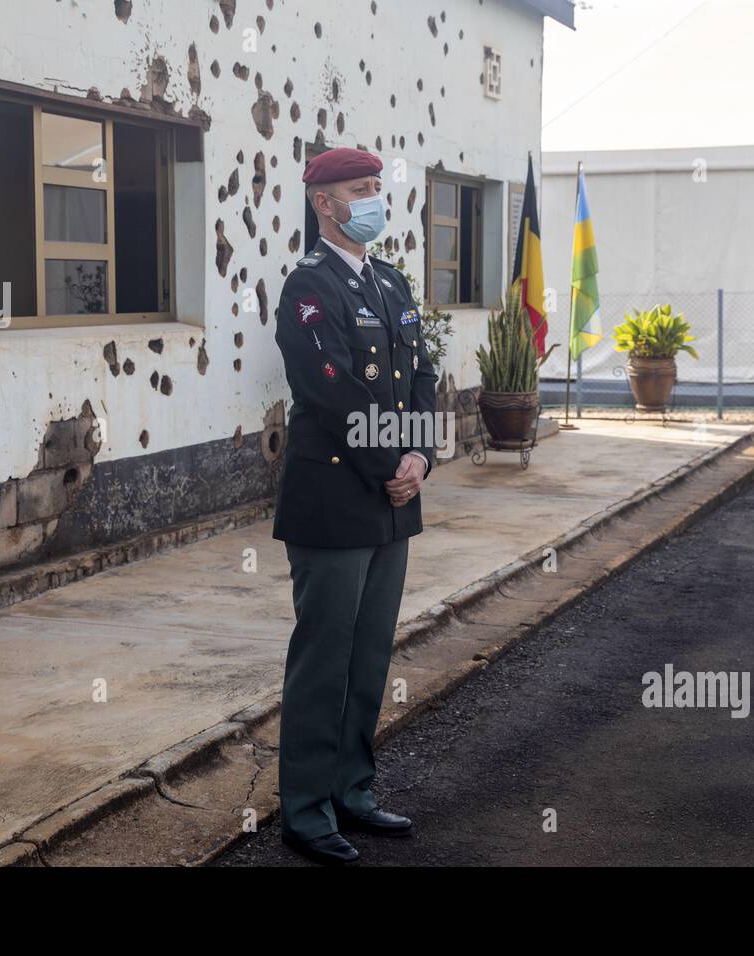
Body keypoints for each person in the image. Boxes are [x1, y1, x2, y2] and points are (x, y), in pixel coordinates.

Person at [270, 146, 439, 865]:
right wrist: (391, 464)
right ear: (325, 203)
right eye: (360, 189)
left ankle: (352, 791)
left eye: (375, 186)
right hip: (336, 500)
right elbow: (331, 389)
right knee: (325, 659)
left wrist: (420, 455)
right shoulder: (309, 288)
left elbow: (423, 376)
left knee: (369, 656)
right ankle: (306, 811)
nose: (374, 197)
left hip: (393, 498)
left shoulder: (390, 281)